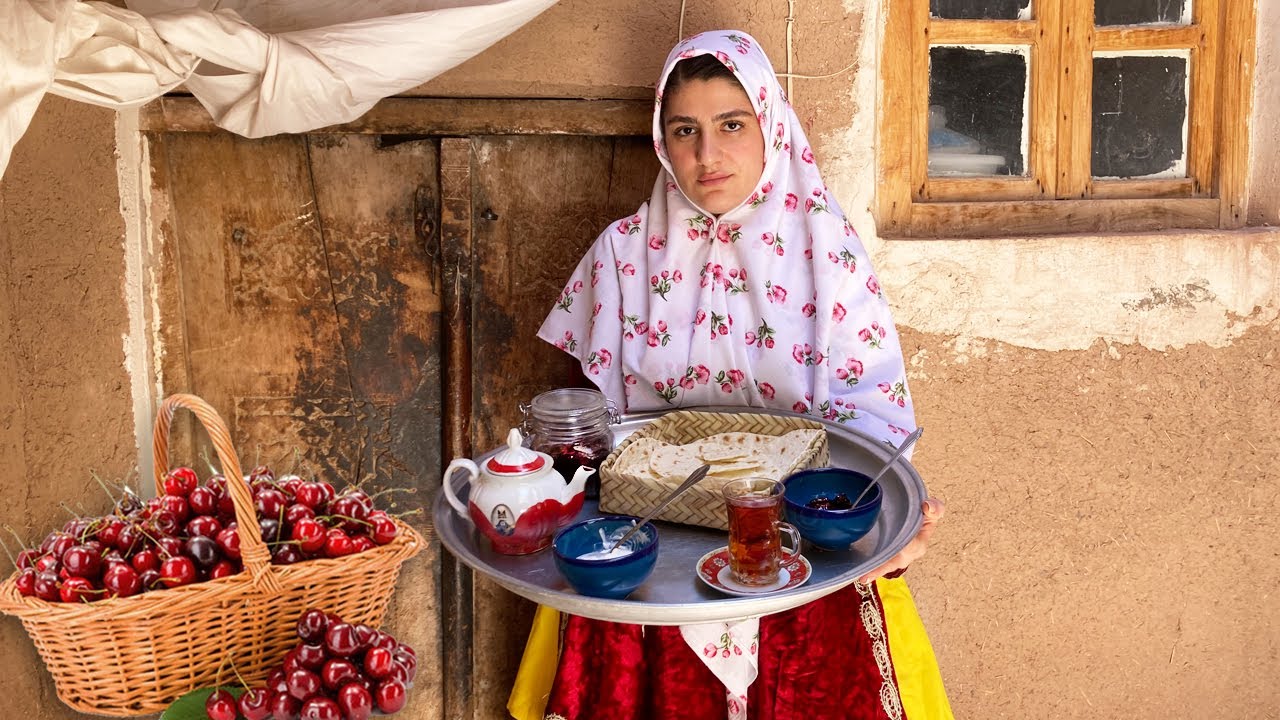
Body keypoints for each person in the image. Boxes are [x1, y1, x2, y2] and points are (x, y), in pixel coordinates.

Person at [511, 29, 950, 720]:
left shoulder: (825, 253)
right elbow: (595, 432)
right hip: (649, 557)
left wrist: (887, 522)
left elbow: (872, 418)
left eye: (731, 125)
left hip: (798, 563)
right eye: (684, 130)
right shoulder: (623, 256)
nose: (706, 155)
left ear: (770, 126)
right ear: (662, 141)